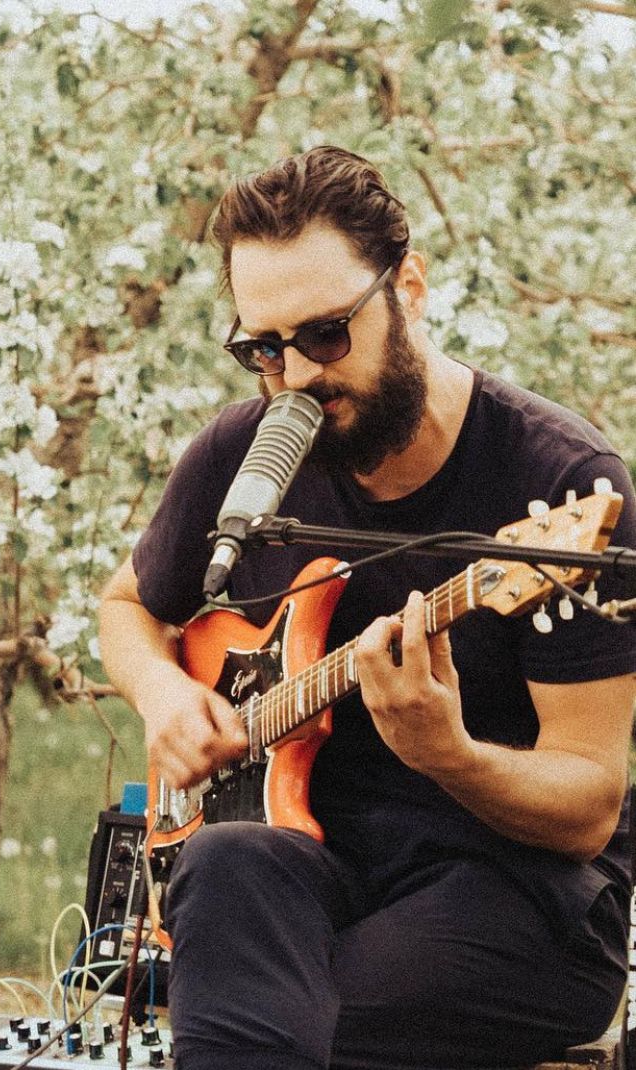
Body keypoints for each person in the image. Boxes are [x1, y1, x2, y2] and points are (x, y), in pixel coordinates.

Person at [97, 147, 636, 1070]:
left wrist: (450, 754)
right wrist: (163, 696)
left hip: (512, 890)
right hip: (312, 868)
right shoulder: (246, 454)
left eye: (326, 335)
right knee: (224, 867)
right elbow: (127, 606)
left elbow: (588, 803)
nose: (295, 374)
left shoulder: (560, 487)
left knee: (278, 1023)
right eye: (263, 348)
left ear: (409, 288)